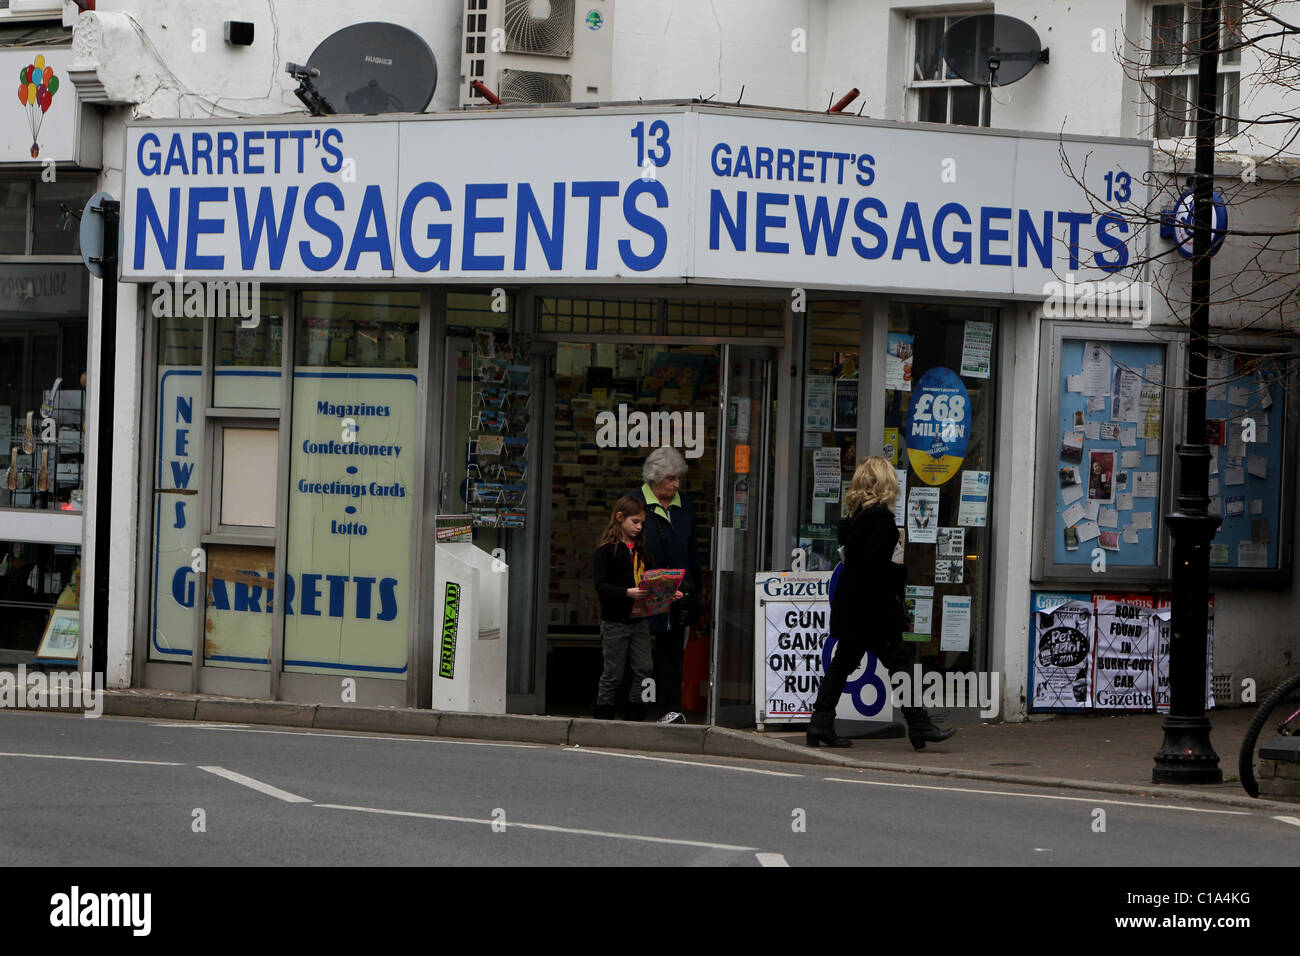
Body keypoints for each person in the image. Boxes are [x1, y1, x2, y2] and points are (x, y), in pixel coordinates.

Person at [807, 456, 957, 751]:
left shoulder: (855, 517)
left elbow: (856, 563)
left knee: (844, 664)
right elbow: (873, 567)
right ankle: (918, 724)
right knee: (898, 665)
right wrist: (900, 571)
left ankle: (821, 722)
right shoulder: (880, 520)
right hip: (873, 608)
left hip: (854, 605)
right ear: (885, 483)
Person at [592, 494, 683, 720]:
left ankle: (636, 714)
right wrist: (626, 592)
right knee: (613, 673)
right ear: (620, 517)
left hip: (639, 619)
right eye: (635, 522)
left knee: (645, 668)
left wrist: (668, 592)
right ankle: (602, 717)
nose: (639, 527)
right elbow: (601, 587)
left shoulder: (642, 550)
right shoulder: (606, 550)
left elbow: (650, 582)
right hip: (615, 621)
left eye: (642, 523)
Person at [630, 446, 701, 724]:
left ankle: (670, 710)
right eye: (671, 479)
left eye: (678, 478)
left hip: (677, 592)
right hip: (646, 590)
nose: (676, 484)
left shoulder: (685, 505)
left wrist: (694, 589)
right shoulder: (634, 503)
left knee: (672, 652)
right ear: (654, 477)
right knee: (639, 652)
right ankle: (635, 710)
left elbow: (692, 549)